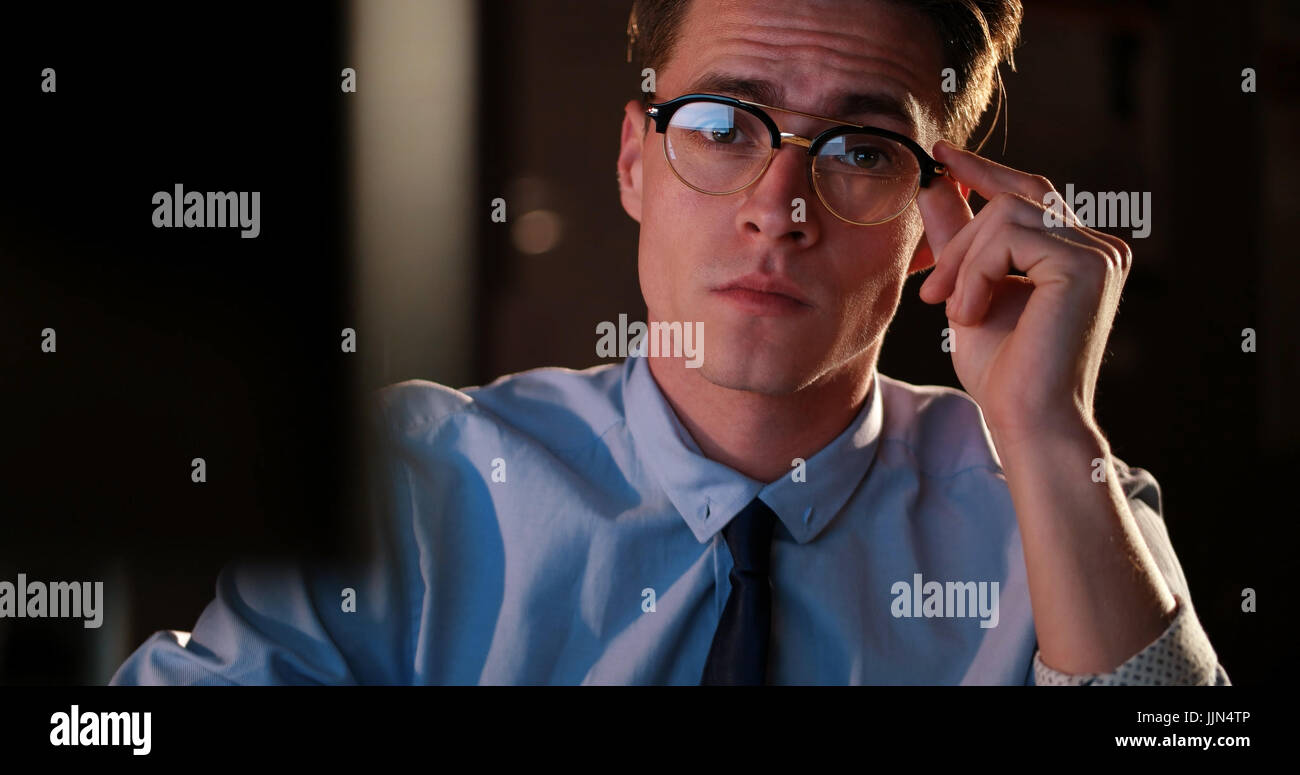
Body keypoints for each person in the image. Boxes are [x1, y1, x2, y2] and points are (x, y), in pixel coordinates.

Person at [111, 0, 1228, 685]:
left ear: (942, 211)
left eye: (862, 149)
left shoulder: (1060, 499)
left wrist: (1041, 428)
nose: (777, 205)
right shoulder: (410, 479)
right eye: (718, 127)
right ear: (633, 163)